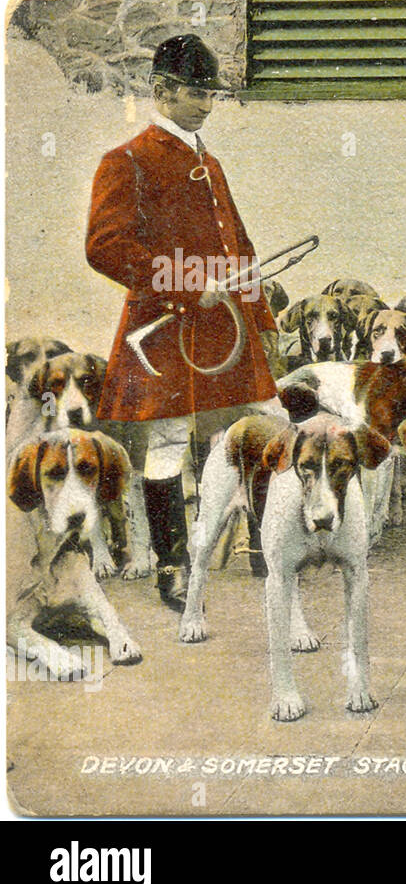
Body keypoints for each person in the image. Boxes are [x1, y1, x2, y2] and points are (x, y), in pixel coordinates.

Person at [87, 34, 280, 606]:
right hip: (167, 329)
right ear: (161, 90)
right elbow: (105, 247)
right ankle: (172, 567)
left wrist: (261, 317)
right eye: (195, 93)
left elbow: (238, 245)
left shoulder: (209, 161)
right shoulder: (126, 161)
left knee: (261, 428)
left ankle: (263, 547)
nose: (205, 105)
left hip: (228, 328)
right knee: (169, 441)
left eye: (210, 95)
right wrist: (187, 283)